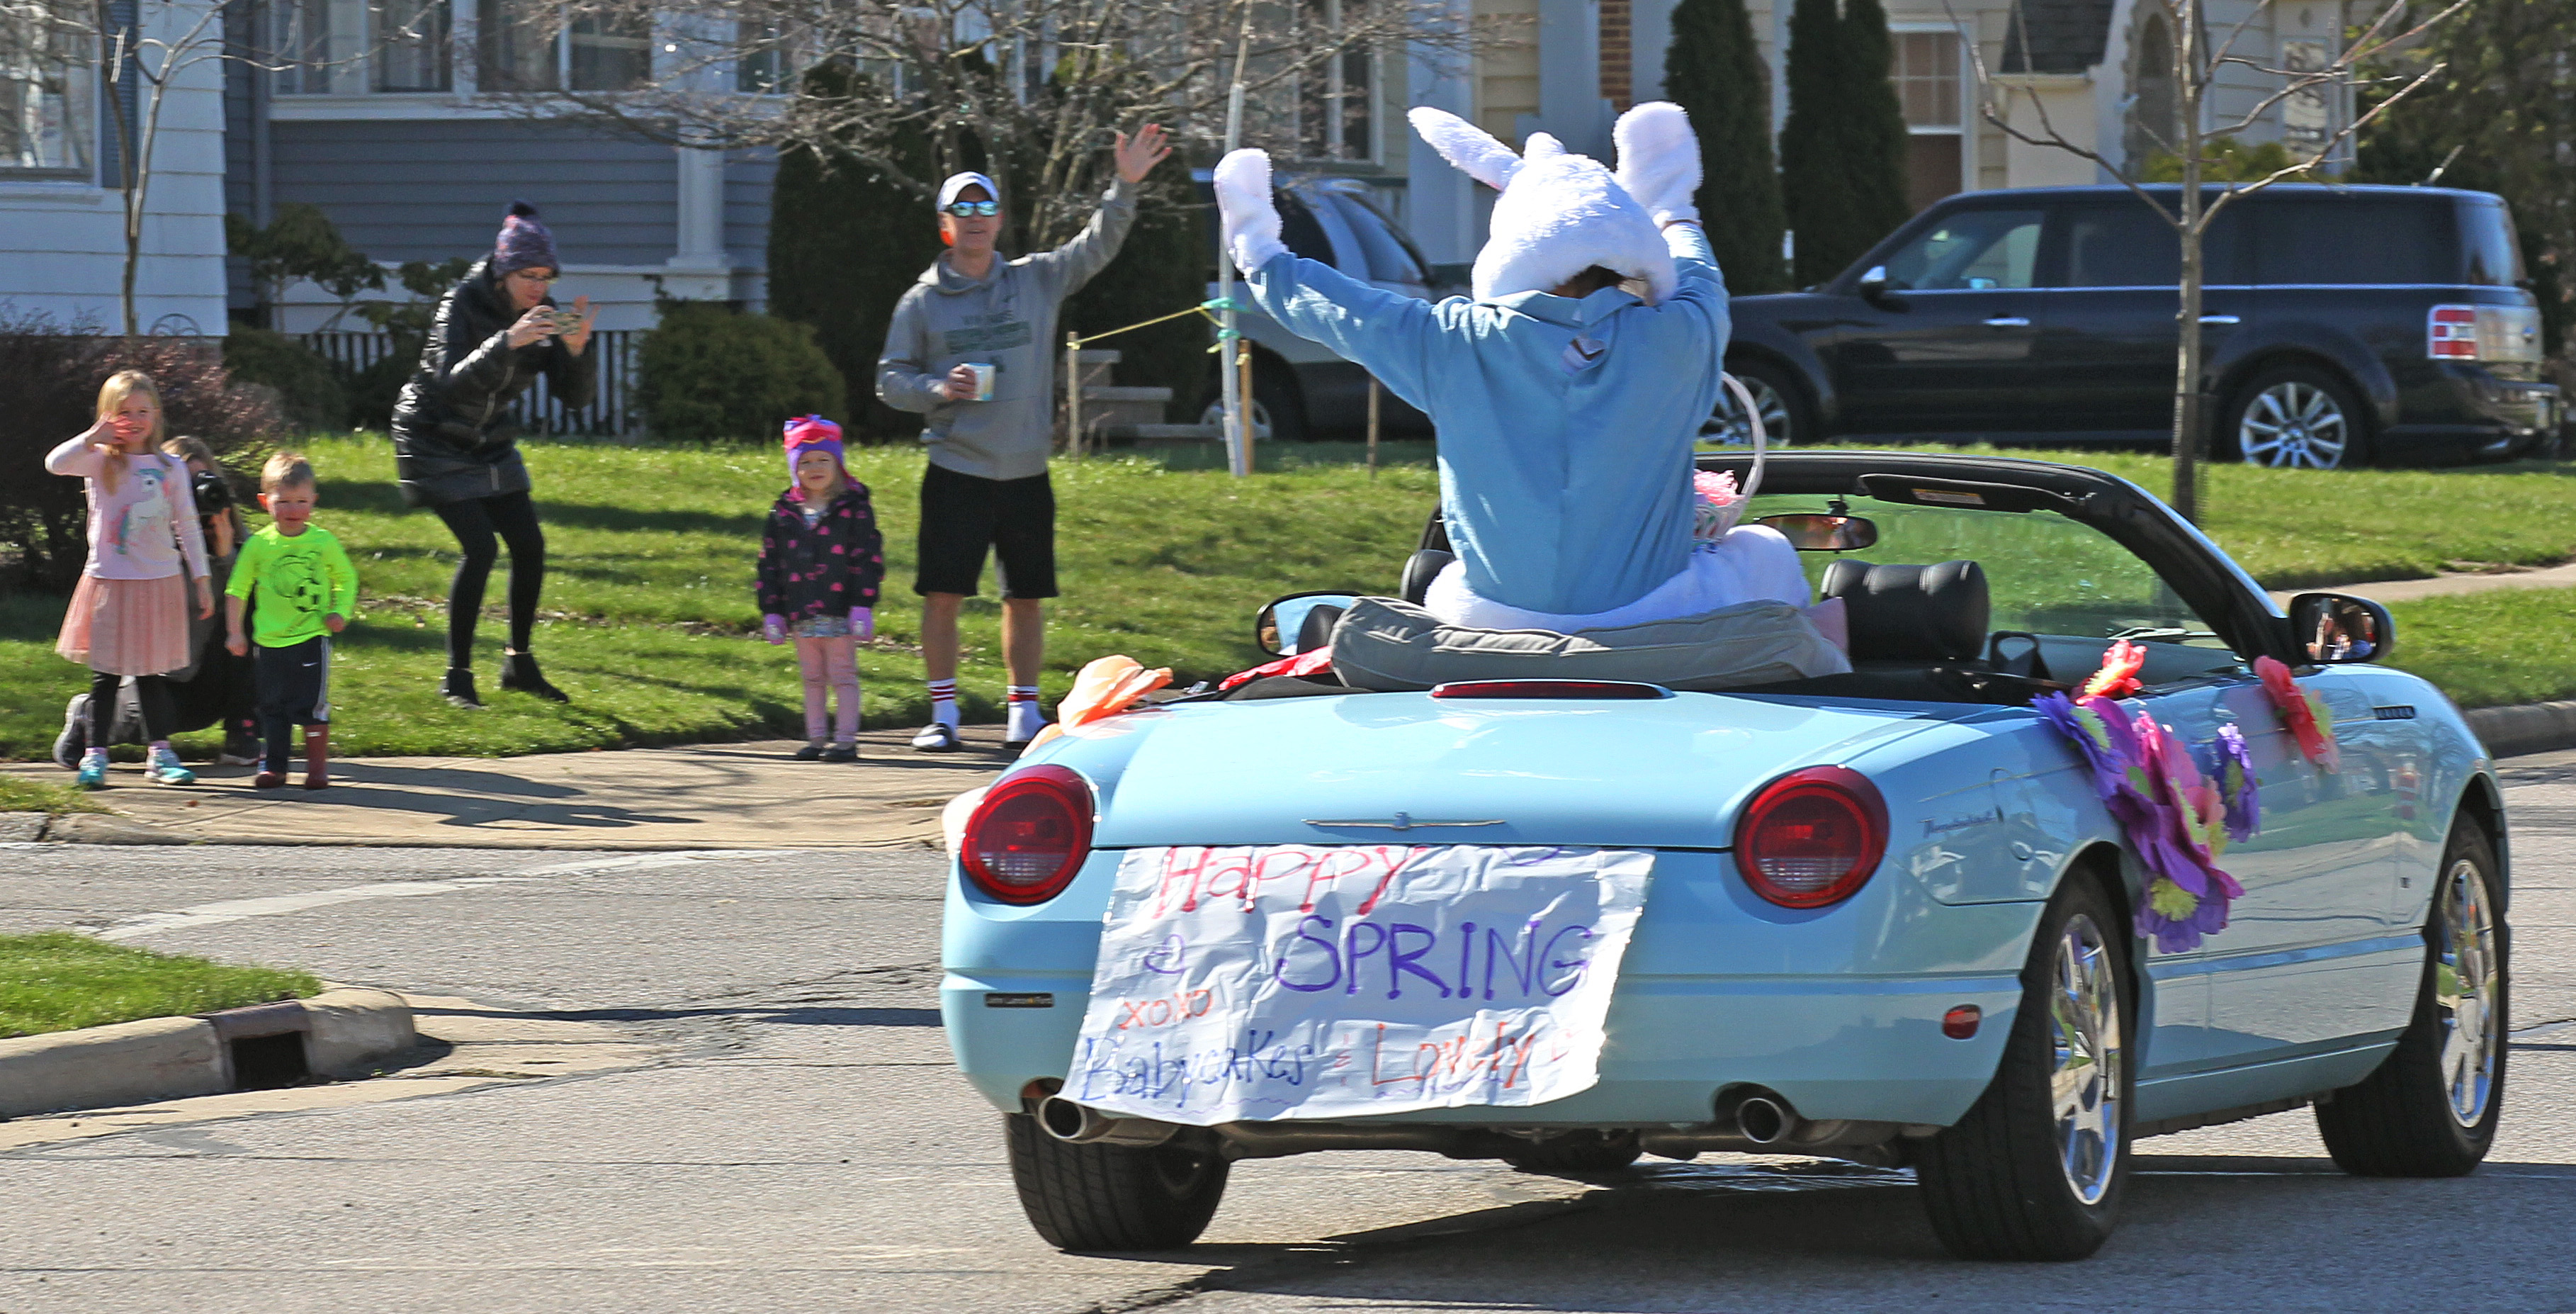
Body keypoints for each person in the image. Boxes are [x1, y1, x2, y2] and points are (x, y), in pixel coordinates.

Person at [1212, 103, 1815, 634]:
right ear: (1631, 254)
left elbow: (1341, 310)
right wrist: (1670, 207)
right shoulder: (1679, 336)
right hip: (1654, 614)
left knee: (1437, 577)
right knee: (1764, 550)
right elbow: (1697, 274)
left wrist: (1260, 252)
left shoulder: (1454, 340)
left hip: (1494, 619)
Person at [876, 124, 1171, 752]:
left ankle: (1023, 713)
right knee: (944, 594)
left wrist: (1125, 186)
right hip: (957, 468)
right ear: (945, 227)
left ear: (999, 221)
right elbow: (889, 380)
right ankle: (943, 715)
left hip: (1026, 472)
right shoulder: (922, 303)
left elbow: (1097, 246)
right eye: (961, 210)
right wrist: (938, 388)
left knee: (1026, 596)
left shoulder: (1036, 280)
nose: (975, 219)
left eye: (984, 207)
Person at [390, 200, 597, 709]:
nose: (538, 287)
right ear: (504, 272)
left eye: (546, 277)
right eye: (529, 275)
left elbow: (575, 399)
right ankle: (457, 677)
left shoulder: (544, 315)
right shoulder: (460, 304)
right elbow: (448, 383)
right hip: (431, 437)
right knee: (481, 548)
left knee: (530, 545)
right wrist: (506, 342)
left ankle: (518, 664)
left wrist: (577, 353)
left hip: (488, 442)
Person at [45, 371, 214, 790]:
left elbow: (187, 524)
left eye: (143, 411)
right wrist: (93, 437)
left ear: (156, 415)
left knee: (150, 675)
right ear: (107, 415)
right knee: (106, 676)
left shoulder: (171, 468)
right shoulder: (98, 460)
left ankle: (160, 754)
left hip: (159, 581)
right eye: (124, 412)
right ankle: (95, 755)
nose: (135, 420)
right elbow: (55, 463)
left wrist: (202, 578)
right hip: (110, 581)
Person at [225, 452, 358, 790]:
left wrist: (340, 611)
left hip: (311, 638)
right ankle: (275, 767)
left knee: (311, 706)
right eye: (282, 501)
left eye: (301, 501)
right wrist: (234, 632)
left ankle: (317, 770)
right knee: (272, 707)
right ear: (264, 502)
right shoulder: (258, 545)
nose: (293, 510)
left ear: (313, 500)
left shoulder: (323, 542)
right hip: (269, 642)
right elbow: (237, 589)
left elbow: (346, 578)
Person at [756, 415, 885, 762]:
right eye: (806, 462)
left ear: (838, 464)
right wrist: (772, 610)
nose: (815, 468)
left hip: (840, 610)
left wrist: (862, 604)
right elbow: (769, 563)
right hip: (801, 611)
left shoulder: (854, 510)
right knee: (812, 678)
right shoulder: (783, 513)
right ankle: (815, 739)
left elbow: (867, 558)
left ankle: (845, 741)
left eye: (823, 460)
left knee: (843, 675)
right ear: (794, 468)